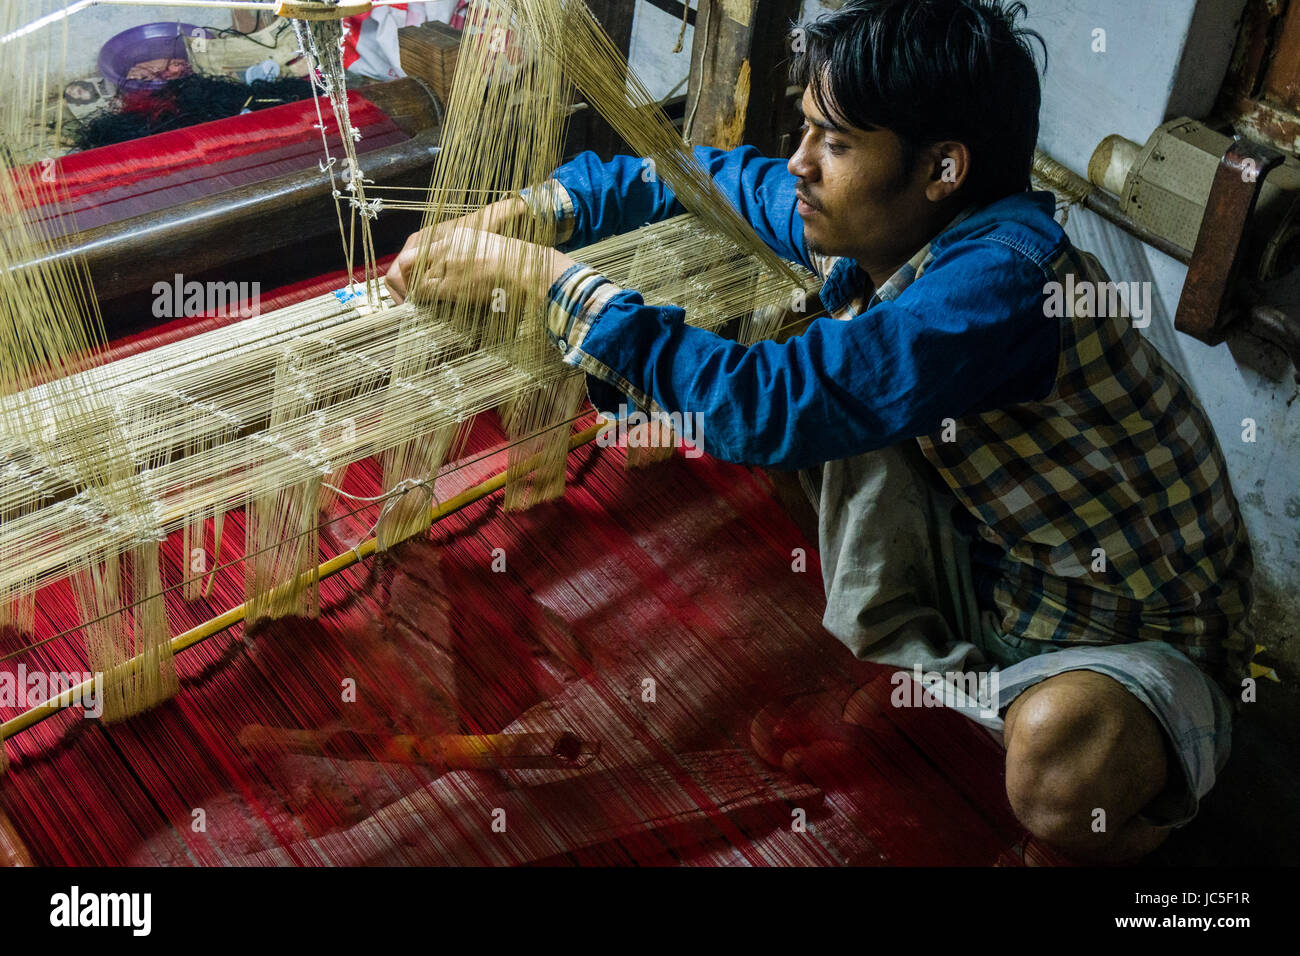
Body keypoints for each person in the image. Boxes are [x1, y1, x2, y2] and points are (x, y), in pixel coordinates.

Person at [385, 0, 1254, 862]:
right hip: (1008, 581)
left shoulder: (1006, 281)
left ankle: (1109, 820)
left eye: (833, 144)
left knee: (1059, 761)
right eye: (805, 133)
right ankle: (950, 684)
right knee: (820, 385)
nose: (797, 165)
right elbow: (692, 178)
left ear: (942, 169)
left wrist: (545, 282)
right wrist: (537, 213)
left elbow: (768, 407)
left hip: (1132, 631)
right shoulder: (878, 226)